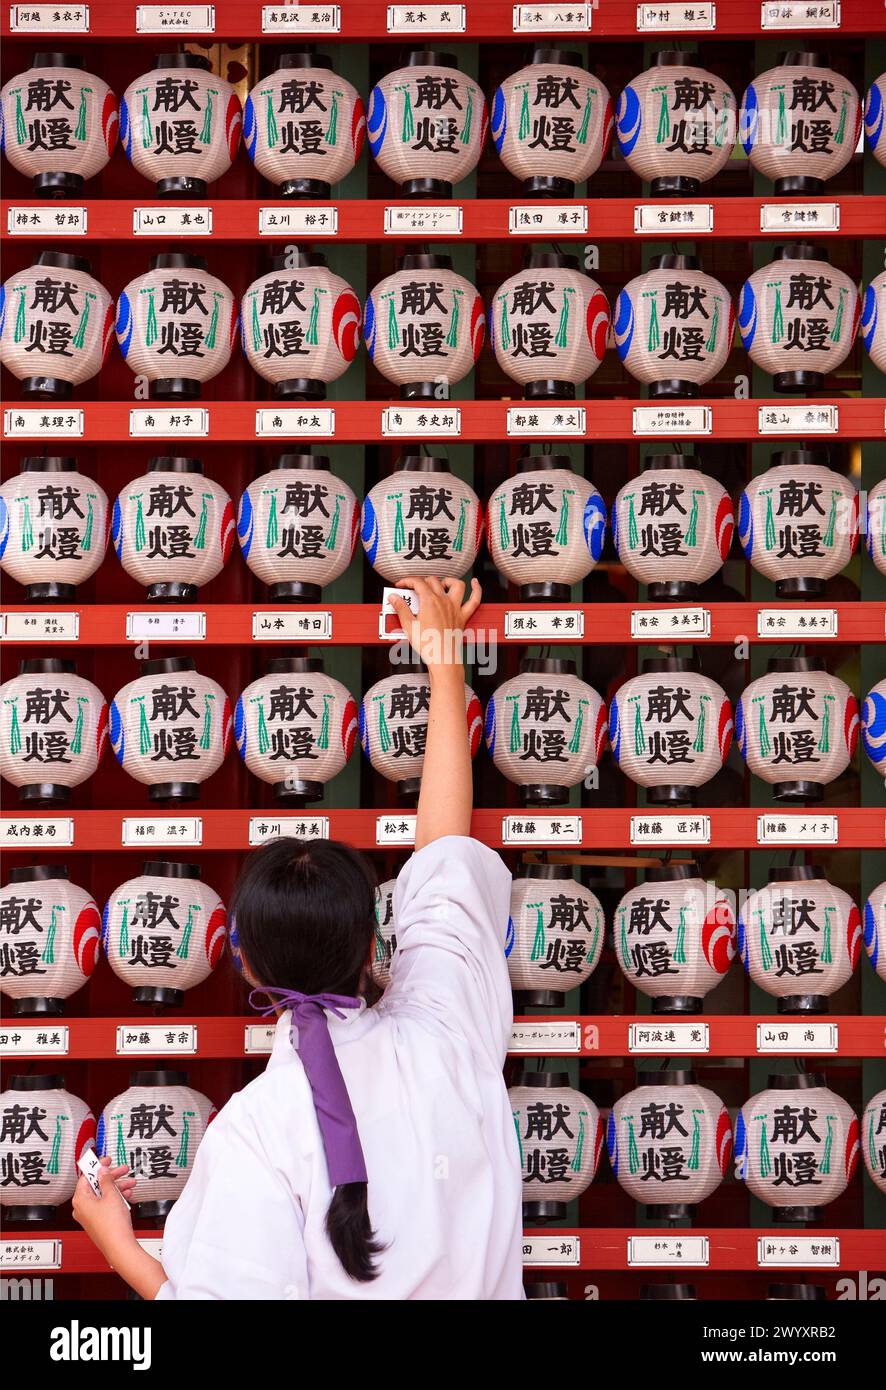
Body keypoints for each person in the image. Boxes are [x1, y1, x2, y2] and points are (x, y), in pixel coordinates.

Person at [73, 576, 524, 1299]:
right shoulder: (449, 1031)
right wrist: (444, 662)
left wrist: (116, 1245)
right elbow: (442, 848)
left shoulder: (257, 1129)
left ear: (244, 960)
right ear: (377, 944)